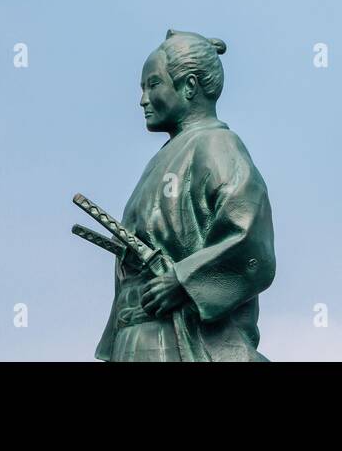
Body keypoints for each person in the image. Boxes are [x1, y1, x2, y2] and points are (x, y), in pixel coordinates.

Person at [96, 30, 276, 361]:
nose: (142, 99)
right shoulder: (164, 158)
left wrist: (183, 280)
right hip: (138, 336)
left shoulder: (217, 146)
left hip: (179, 338)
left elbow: (253, 244)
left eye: (153, 85)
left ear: (189, 86)